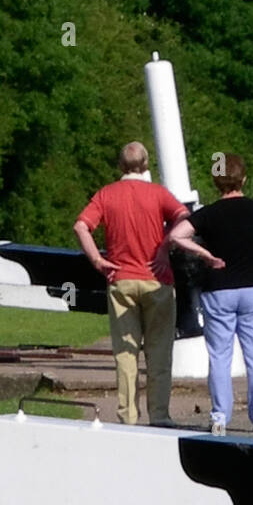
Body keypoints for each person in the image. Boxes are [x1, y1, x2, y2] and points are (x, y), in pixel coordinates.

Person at [74, 142, 189, 426]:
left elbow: (81, 226)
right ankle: (160, 414)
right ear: (147, 164)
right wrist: (165, 247)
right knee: (159, 351)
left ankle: (128, 416)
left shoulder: (106, 194)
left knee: (126, 355)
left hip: (121, 279)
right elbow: (186, 218)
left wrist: (97, 261)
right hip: (157, 279)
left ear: (121, 166)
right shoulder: (159, 194)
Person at [165, 154, 253, 435]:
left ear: (215, 183)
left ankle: (220, 417)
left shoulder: (209, 214)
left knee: (220, 356)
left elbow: (176, 236)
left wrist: (206, 255)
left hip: (219, 289)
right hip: (252, 287)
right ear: (243, 179)